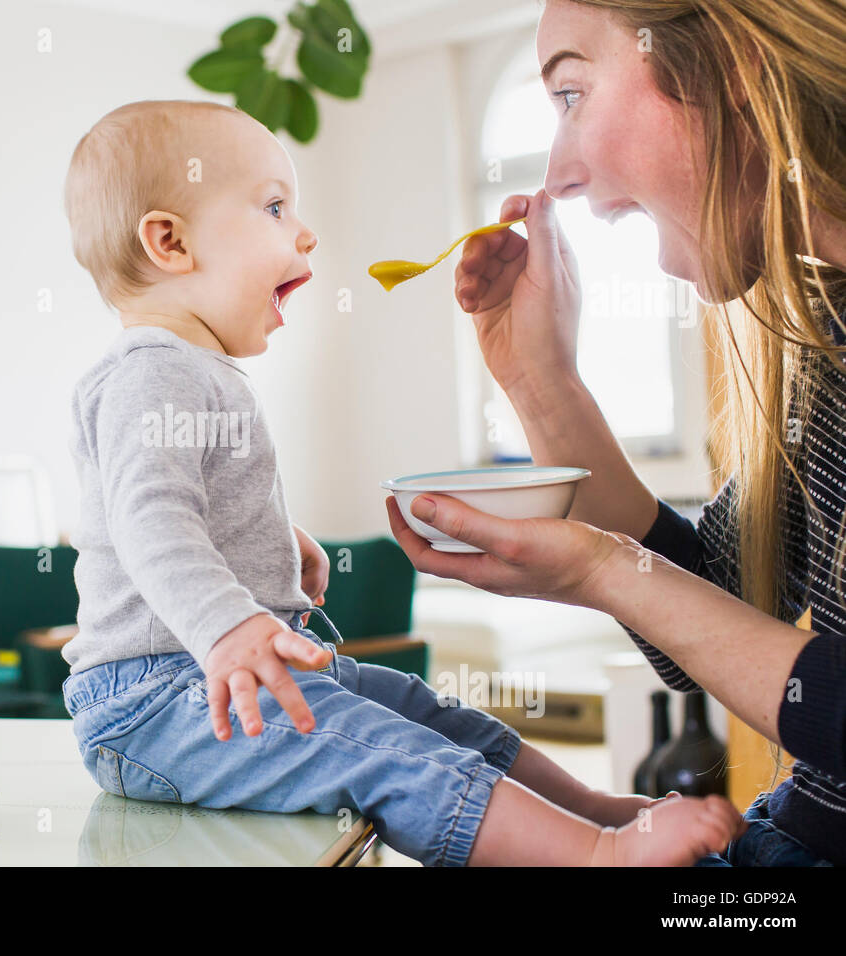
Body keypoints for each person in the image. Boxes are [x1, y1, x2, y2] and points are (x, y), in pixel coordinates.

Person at [59, 98, 745, 865]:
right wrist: (229, 626)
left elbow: (184, 506)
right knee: (376, 748)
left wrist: (270, 543)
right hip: (158, 701)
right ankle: (592, 855)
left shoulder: (193, 372)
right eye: (275, 207)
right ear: (170, 242)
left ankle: (587, 807)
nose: (305, 232)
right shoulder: (151, 373)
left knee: (422, 710)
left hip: (210, 675)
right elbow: (147, 521)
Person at [387, 0, 846, 866]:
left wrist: (601, 570)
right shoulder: (831, 342)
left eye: (570, 94)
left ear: (734, 64)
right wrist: (543, 383)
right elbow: (725, 603)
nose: (557, 171)